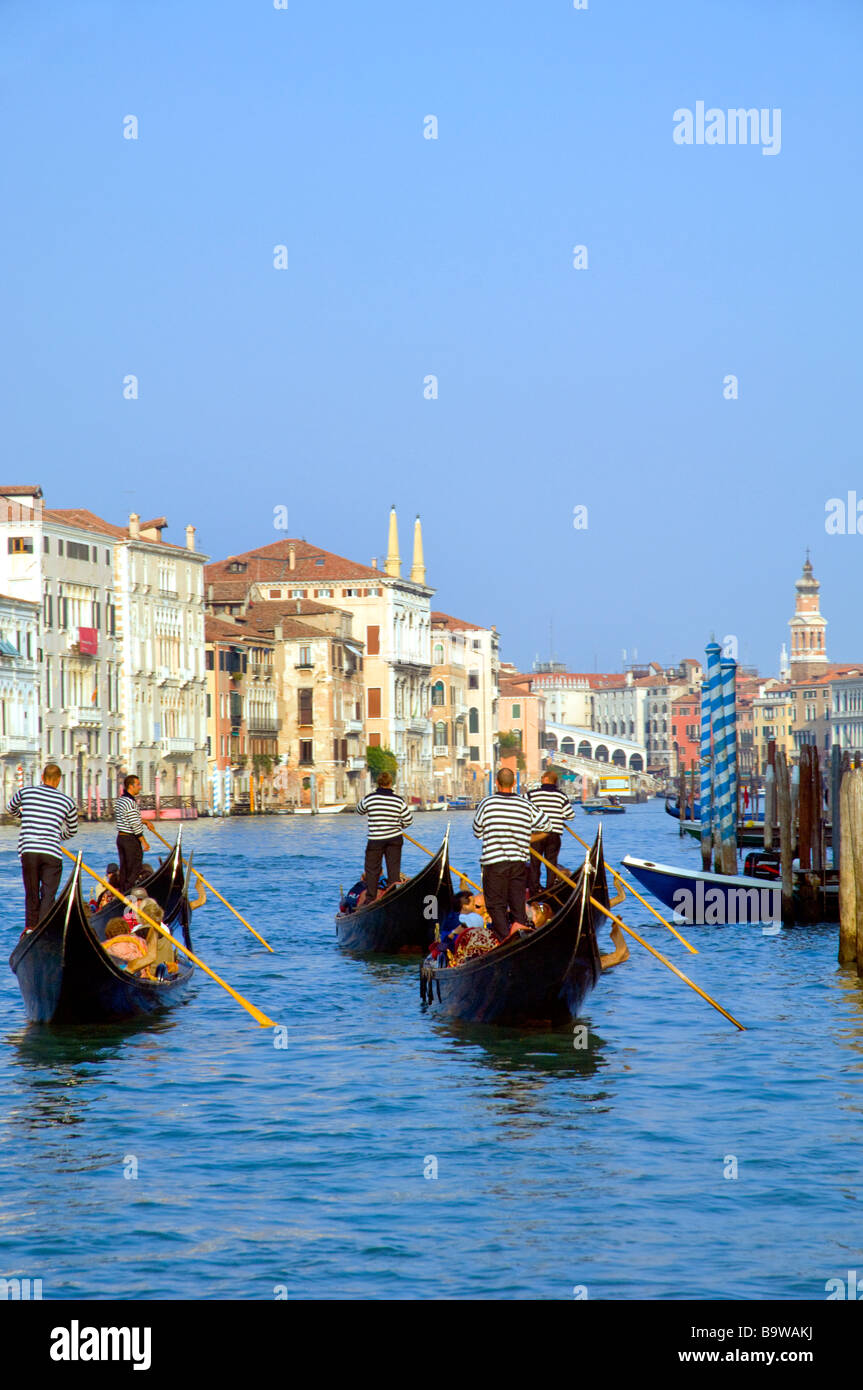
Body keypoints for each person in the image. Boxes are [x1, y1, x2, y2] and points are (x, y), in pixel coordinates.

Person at [471, 767, 551, 942]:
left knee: (495, 904)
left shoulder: (487, 803)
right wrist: (529, 837)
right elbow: (547, 825)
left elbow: (477, 831)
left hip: (494, 863)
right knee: (517, 902)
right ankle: (519, 934)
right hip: (518, 863)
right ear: (514, 784)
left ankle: (503, 939)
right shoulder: (525, 804)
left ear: (497, 783)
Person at [6, 764, 78, 932]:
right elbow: (72, 830)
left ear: (42, 777)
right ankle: (44, 928)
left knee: (32, 893)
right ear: (59, 780)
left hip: (29, 850)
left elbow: (10, 808)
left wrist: (25, 816)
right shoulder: (67, 802)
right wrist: (58, 836)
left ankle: (31, 927)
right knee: (48, 894)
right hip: (51, 852)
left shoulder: (26, 792)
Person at [356, 771, 413, 902]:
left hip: (375, 839)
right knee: (393, 869)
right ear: (390, 783)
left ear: (378, 783)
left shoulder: (369, 798)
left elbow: (359, 811)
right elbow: (408, 820)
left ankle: (370, 899)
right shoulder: (398, 800)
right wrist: (399, 826)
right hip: (395, 838)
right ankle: (392, 897)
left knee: (372, 869)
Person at [526, 768, 575, 895]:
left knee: (534, 864)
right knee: (551, 863)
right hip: (554, 833)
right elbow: (570, 815)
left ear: (546, 779)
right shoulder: (561, 796)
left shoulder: (531, 794)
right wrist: (558, 815)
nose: (541, 779)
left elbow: (521, 809)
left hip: (536, 833)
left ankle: (534, 890)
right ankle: (550, 890)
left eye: (542, 777)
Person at [115, 774, 150, 893]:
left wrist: (145, 821)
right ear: (131, 786)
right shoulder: (130, 802)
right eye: (138, 785)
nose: (140, 787)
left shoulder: (121, 800)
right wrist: (144, 842)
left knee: (125, 869)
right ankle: (130, 896)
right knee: (134, 870)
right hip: (130, 840)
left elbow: (128, 818)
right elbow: (134, 825)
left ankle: (123, 894)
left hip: (121, 838)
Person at [124, 898, 175, 979]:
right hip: (166, 972)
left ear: (144, 917)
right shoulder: (163, 930)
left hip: (152, 974)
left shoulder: (144, 930)